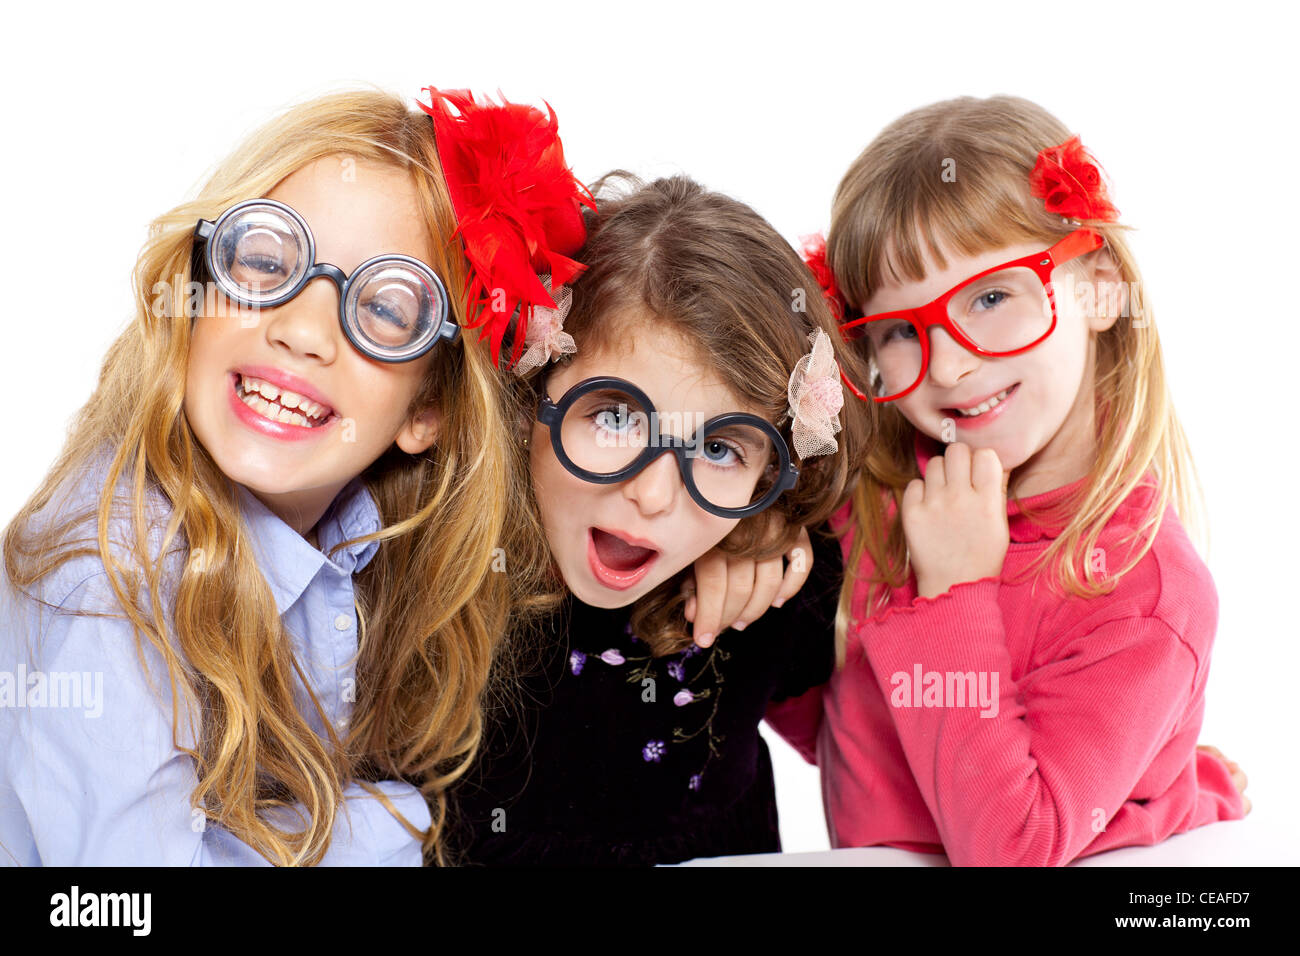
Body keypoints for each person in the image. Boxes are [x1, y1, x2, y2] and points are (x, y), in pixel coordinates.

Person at [0, 86, 588, 866]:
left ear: (429, 409)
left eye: (386, 308)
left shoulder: (357, 534)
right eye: (269, 259)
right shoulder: (107, 579)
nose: (303, 329)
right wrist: (387, 824)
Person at [766, 95, 1248, 865]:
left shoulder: (1143, 593)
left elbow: (1005, 855)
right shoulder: (877, 495)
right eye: (900, 331)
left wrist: (954, 594)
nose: (951, 366)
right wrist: (764, 591)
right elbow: (850, 743)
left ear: (1097, 287)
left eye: (990, 298)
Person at [449, 173, 870, 865]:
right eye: (614, 417)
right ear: (527, 397)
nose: (653, 494)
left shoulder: (779, 589)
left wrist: (768, 534)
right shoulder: (429, 570)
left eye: (718, 447)